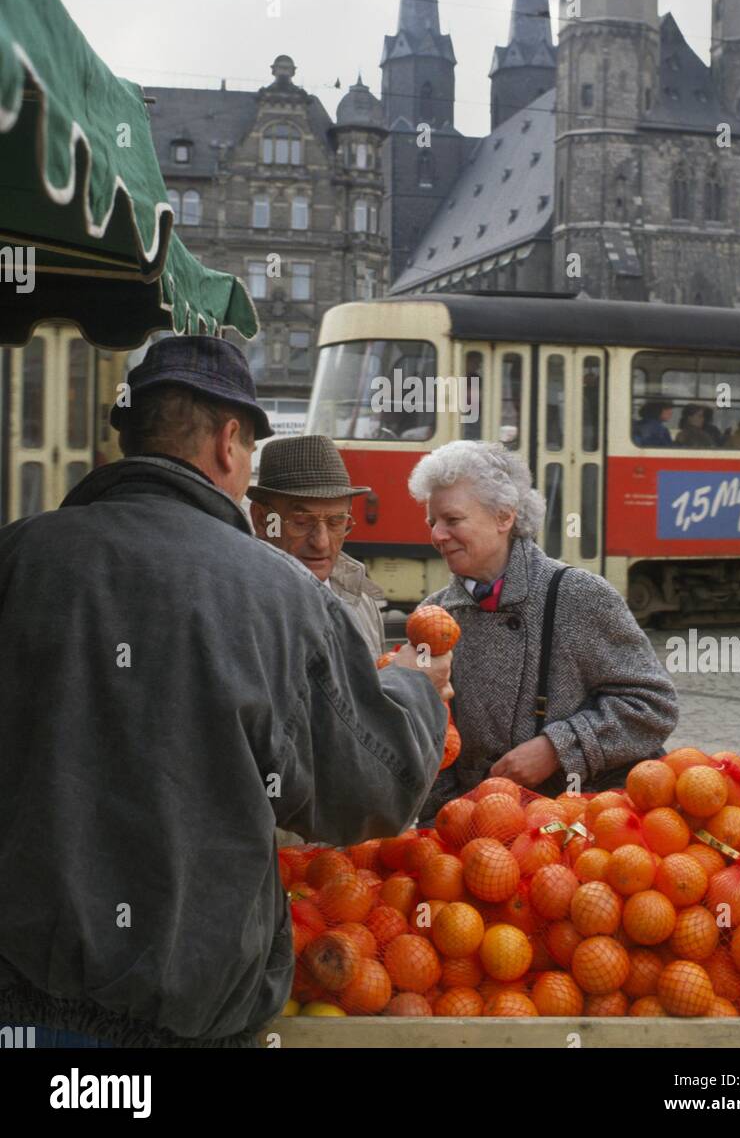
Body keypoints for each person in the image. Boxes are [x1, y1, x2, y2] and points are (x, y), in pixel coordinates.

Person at [0, 337, 448, 1049]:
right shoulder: (276, 593)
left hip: (20, 997)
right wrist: (416, 693)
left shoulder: (19, 555)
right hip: (184, 1009)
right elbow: (369, 790)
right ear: (228, 440)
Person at [407, 441, 678, 820]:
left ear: (504, 517)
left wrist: (557, 749)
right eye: (432, 523)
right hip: (479, 837)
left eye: (452, 520)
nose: (437, 535)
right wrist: (449, 819)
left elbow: (653, 706)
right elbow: (431, 740)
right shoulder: (430, 617)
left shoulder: (578, 595)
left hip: (584, 827)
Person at [248, 434, 384, 661]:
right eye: (302, 522)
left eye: (337, 522)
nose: (321, 542)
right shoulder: (243, 608)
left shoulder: (362, 603)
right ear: (263, 520)